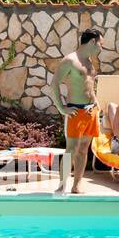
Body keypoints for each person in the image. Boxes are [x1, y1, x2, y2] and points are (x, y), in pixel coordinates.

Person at [51, 29, 103, 194]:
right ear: (93, 42)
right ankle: (61, 186)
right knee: (71, 150)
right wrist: (61, 108)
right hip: (75, 112)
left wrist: (96, 102)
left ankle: (77, 185)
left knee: (83, 149)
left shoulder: (89, 61)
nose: (101, 48)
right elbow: (54, 84)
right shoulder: (69, 60)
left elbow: (89, 84)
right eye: (101, 43)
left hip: (90, 111)